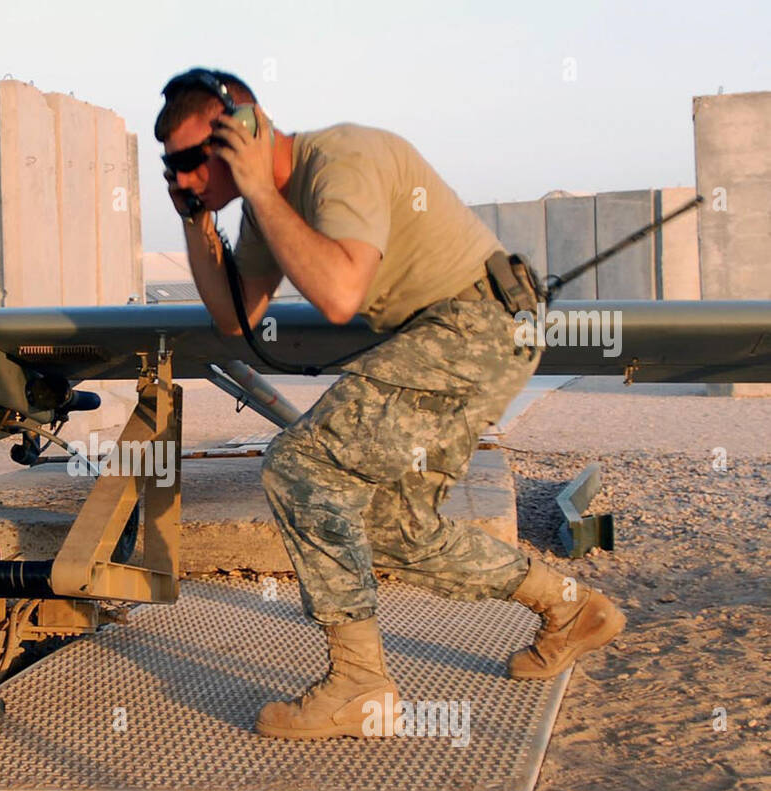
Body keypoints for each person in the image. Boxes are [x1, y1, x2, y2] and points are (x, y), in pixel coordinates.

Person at [155, 67, 626, 740]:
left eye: (198, 161)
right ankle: (573, 608)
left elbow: (342, 294)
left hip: (476, 324)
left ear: (249, 128)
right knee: (396, 527)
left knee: (299, 467)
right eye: (174, 169)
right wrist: (199, 218)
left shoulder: (341, 162)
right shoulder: (268, 208)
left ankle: (358, 684)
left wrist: (256, 186)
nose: (188, 177)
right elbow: (235, 316)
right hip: (458, 336)